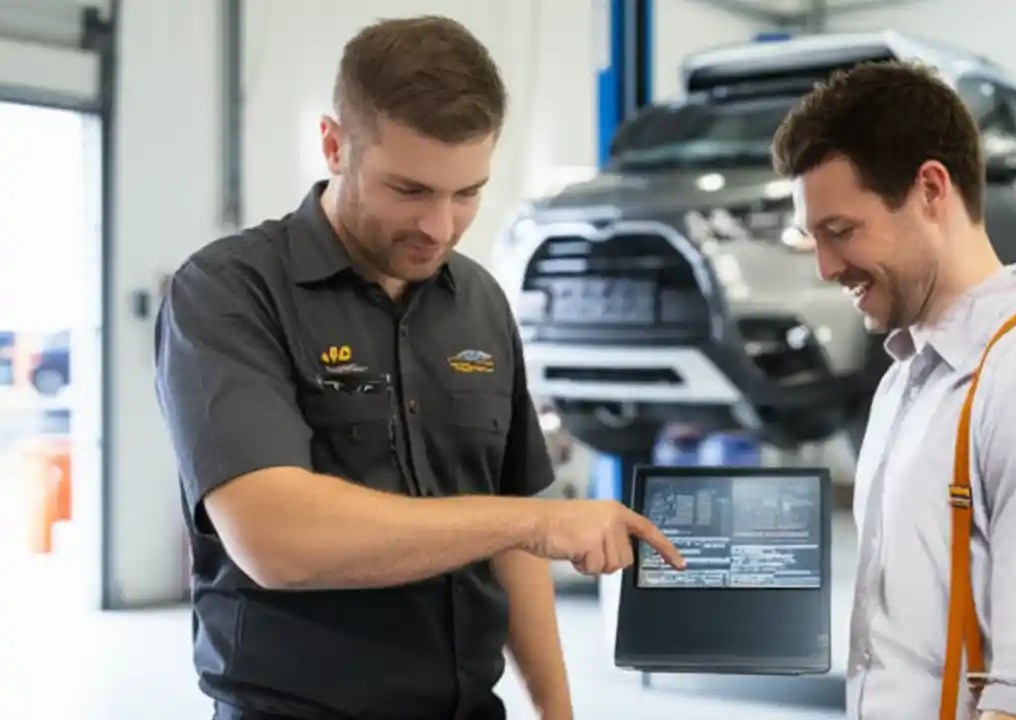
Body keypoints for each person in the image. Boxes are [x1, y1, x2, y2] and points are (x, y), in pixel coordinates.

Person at [154, 16, 684, 720]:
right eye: (410, 190)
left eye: (467, 193)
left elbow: (514, 530)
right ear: (334, 145)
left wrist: (557, 713)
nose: (440, 227)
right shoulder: (229, 293)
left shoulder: (480, 303)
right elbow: (273, 538)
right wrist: (523, 524)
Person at [771, 62, 1016, 719]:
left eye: (841, 231)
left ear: (931, 190)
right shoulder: (903, 388)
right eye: (814, 238)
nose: (827, 267)